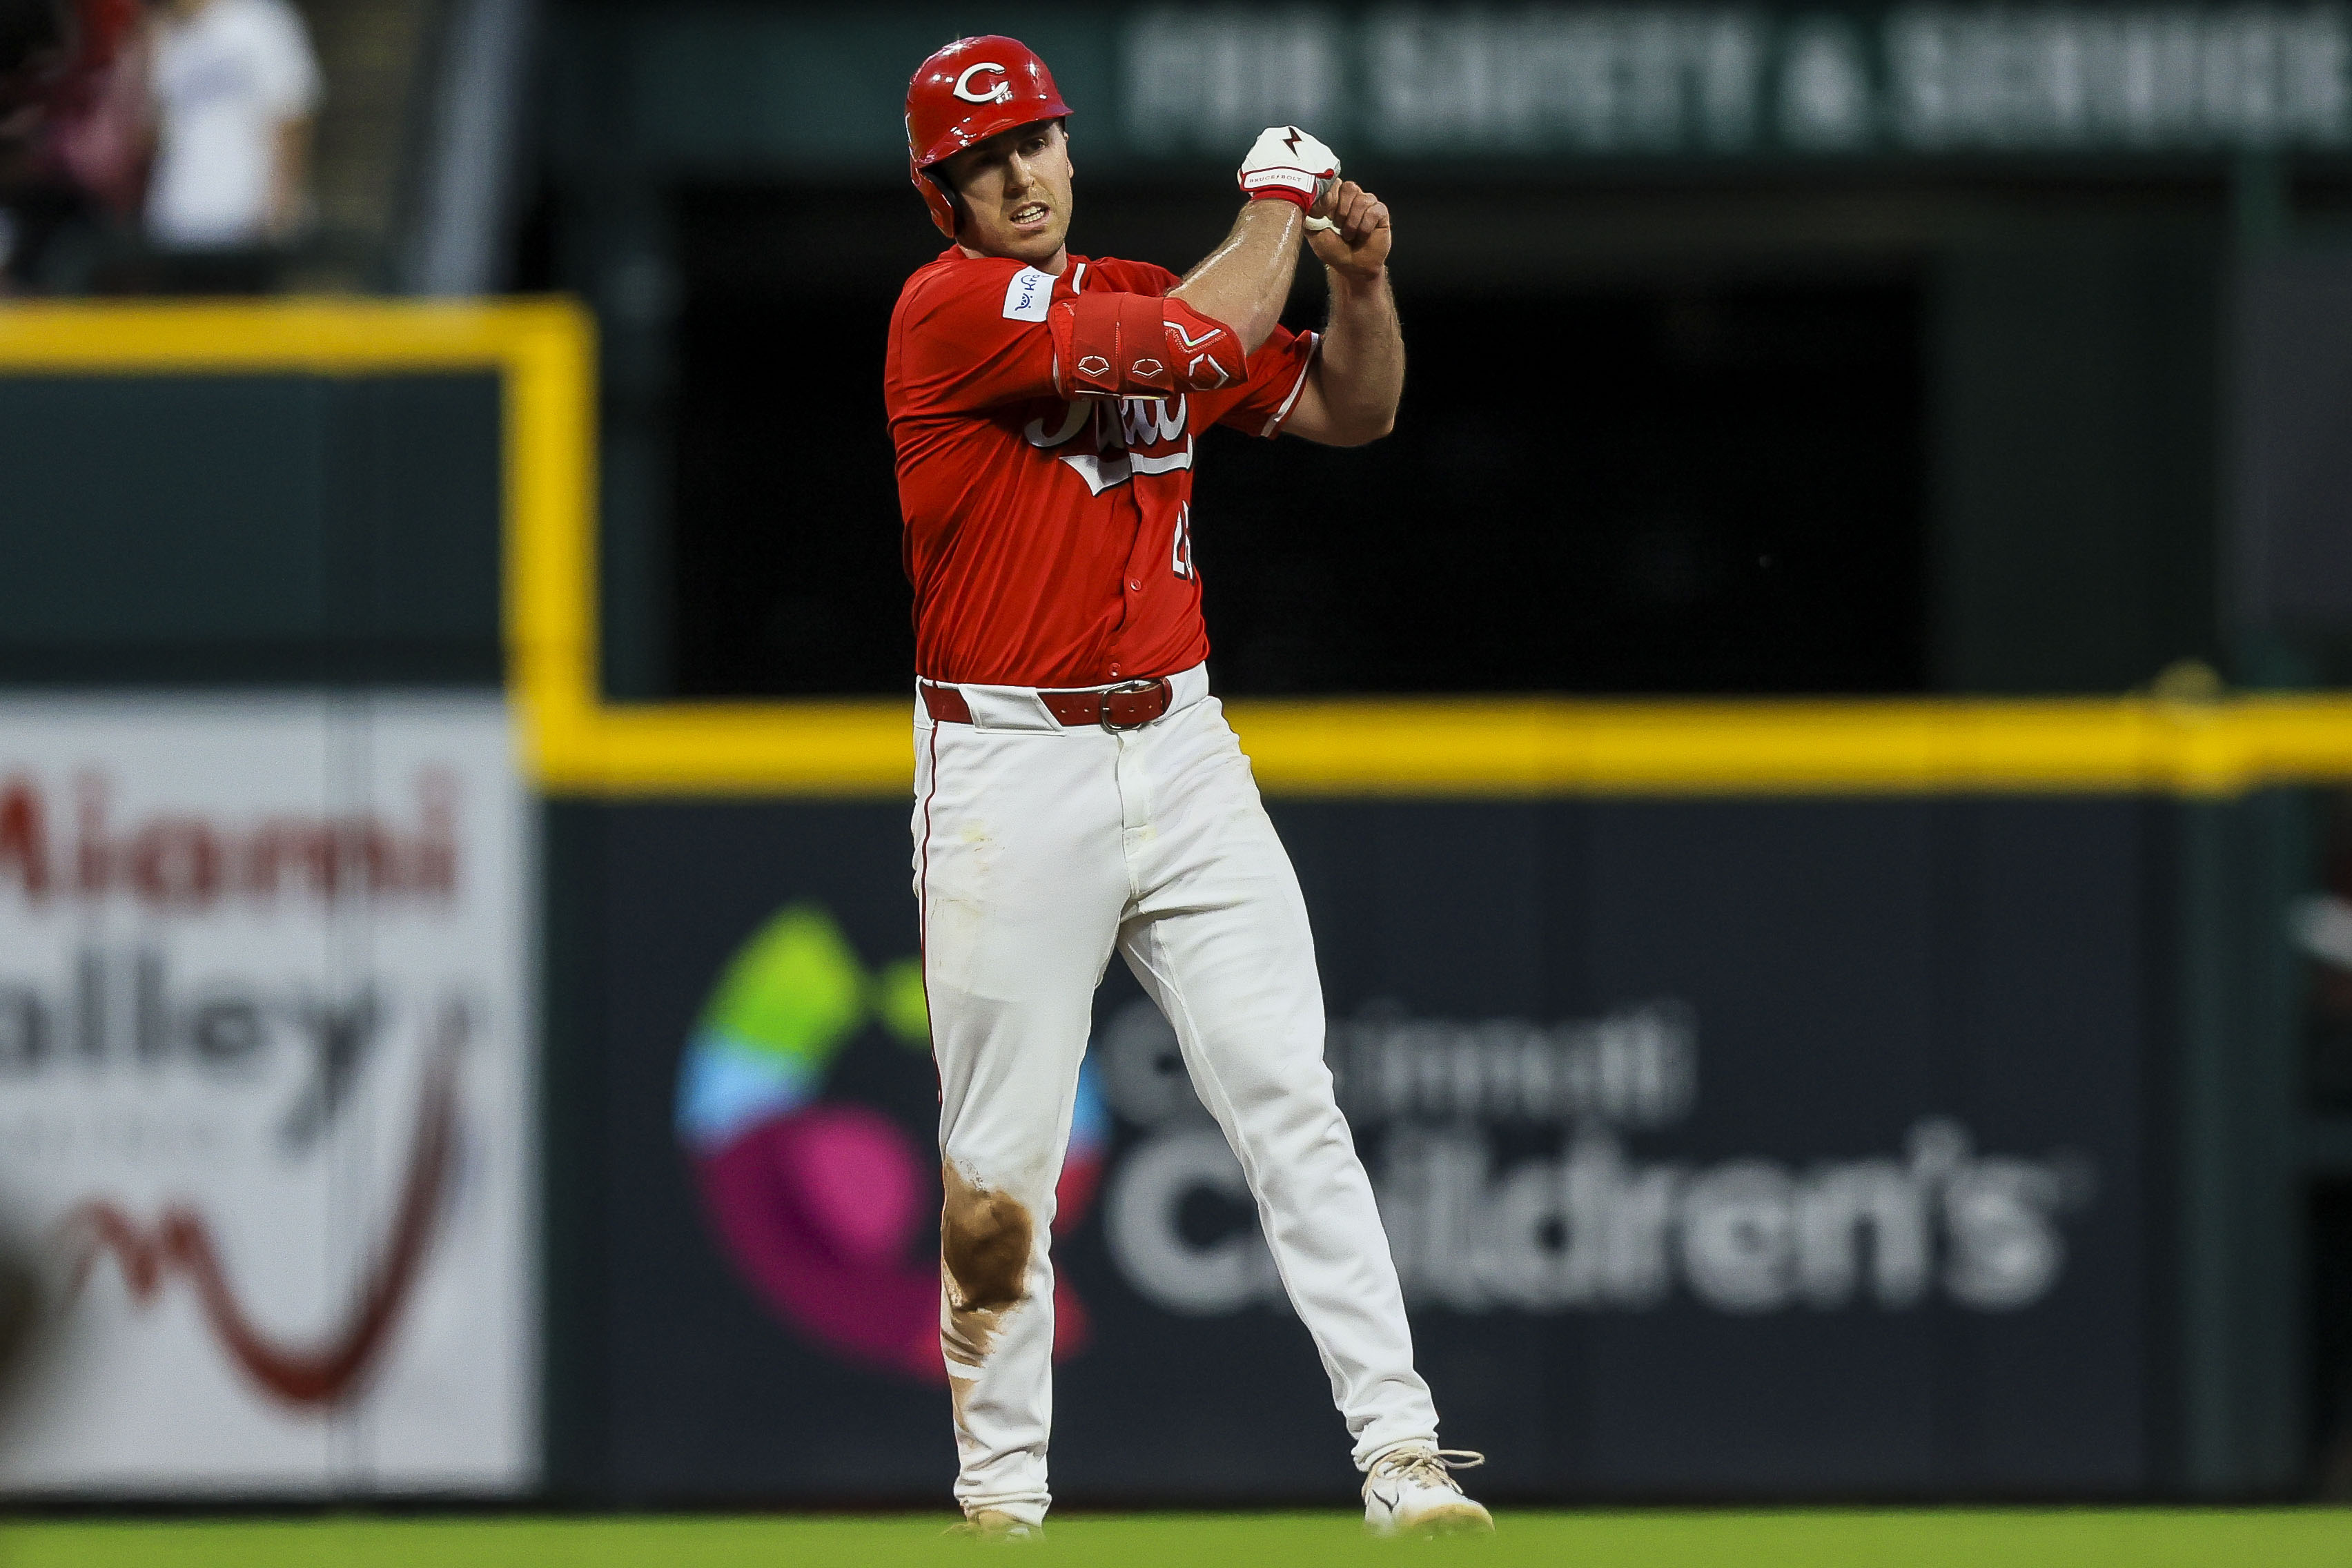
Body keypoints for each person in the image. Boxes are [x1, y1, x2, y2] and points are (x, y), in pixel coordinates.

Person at [886, 35, 1491, 1540]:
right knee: (999, 1164)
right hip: (1009, 765)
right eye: (982, 159)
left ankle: (1404, 1454)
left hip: (1183, 740)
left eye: (1035, 141)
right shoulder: (948, 308)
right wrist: (1282, 194)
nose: (1018, 173)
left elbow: (1354, 413)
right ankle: (1002, 1500)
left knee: (1294, 1098)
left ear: (1069, 150)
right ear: (940, 193)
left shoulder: (1143, 286)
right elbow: (1186, 347)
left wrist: (1356, 281)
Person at [141, 0, 315, 255]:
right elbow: (155, 130)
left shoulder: (260, 18)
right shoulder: (165, 34)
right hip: (176, 223)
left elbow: (292, 112)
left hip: (247, 222)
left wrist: (281, 202)